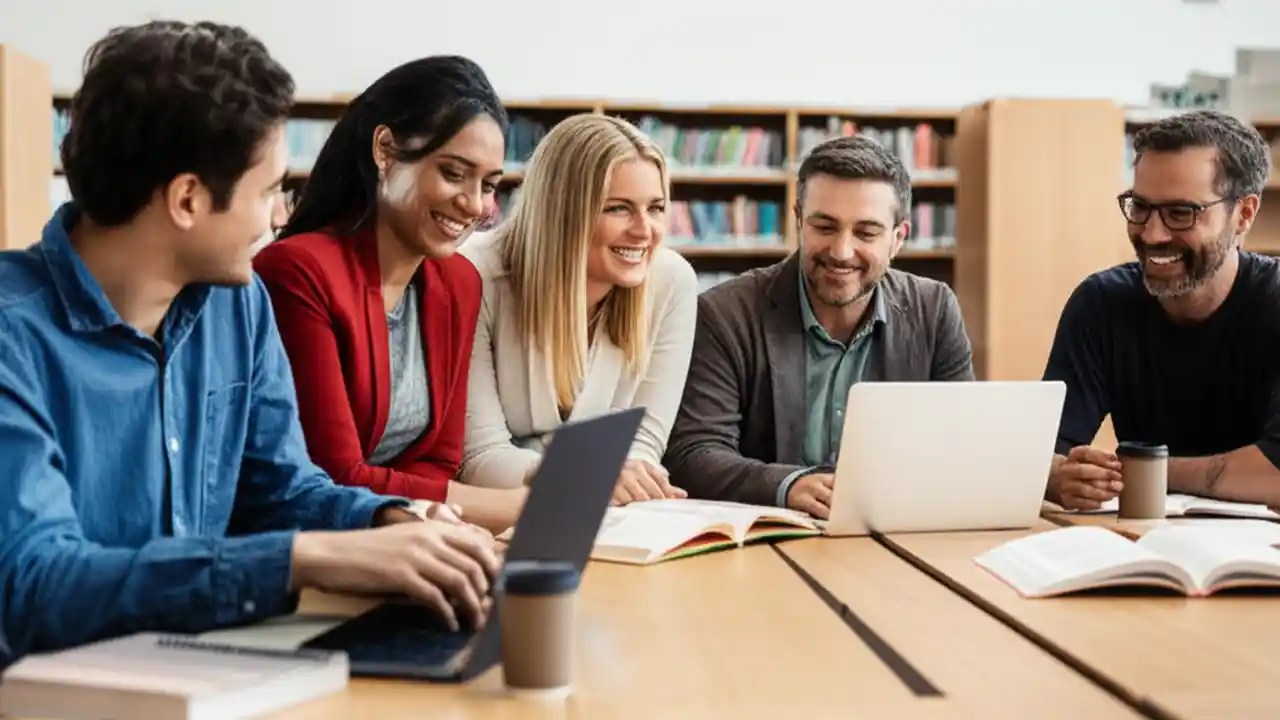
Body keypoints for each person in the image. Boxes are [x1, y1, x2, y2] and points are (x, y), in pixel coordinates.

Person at [0, 21, 499, 667]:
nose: (278, 218)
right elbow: (35, 585)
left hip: (204, 670)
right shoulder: (15, 334)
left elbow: (281, 489)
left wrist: (387, 522)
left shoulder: (237, 304)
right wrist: (305, 558)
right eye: (267, 193)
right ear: (187, 199)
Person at [254, 56, 525, 532]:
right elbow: (333, 474)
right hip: (314, 544)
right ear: (386, 150)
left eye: (488, 184)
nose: (475, 204)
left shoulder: (459, 282)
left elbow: (438, 458)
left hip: (407, 535)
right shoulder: (299, 271)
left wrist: (429, 516)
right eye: (454, 172)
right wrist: (522, 510)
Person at [664, 135, 974, 518]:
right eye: (825, 227)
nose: (842, 251)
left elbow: (960, 444)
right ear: (798, 220)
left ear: (898, 238)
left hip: (892, 530)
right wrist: (788, 485)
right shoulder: (724, 313)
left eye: (866, 232)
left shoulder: (935, 309)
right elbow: (693, 453)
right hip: (770, 544)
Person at [1043, 110, 1280, 511]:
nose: (1152, 234)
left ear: (1243, 214)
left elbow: (1274, 475)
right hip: (1142, 541)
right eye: (1140, 207)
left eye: (1181, 213)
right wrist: (1058, 477)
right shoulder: (1101, 304)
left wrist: (1143, 471)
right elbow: (1045, 452)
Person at [458, 114, 697, 505]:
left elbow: (642, 443)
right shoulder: (474, 275)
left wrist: (623, 476)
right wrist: (586, 471)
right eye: (618, 208)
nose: (644, 231)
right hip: (502, 515)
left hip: (604, 511)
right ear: (563, 211)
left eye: (655, 208)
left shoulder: (672, 282)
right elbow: (479, 458)